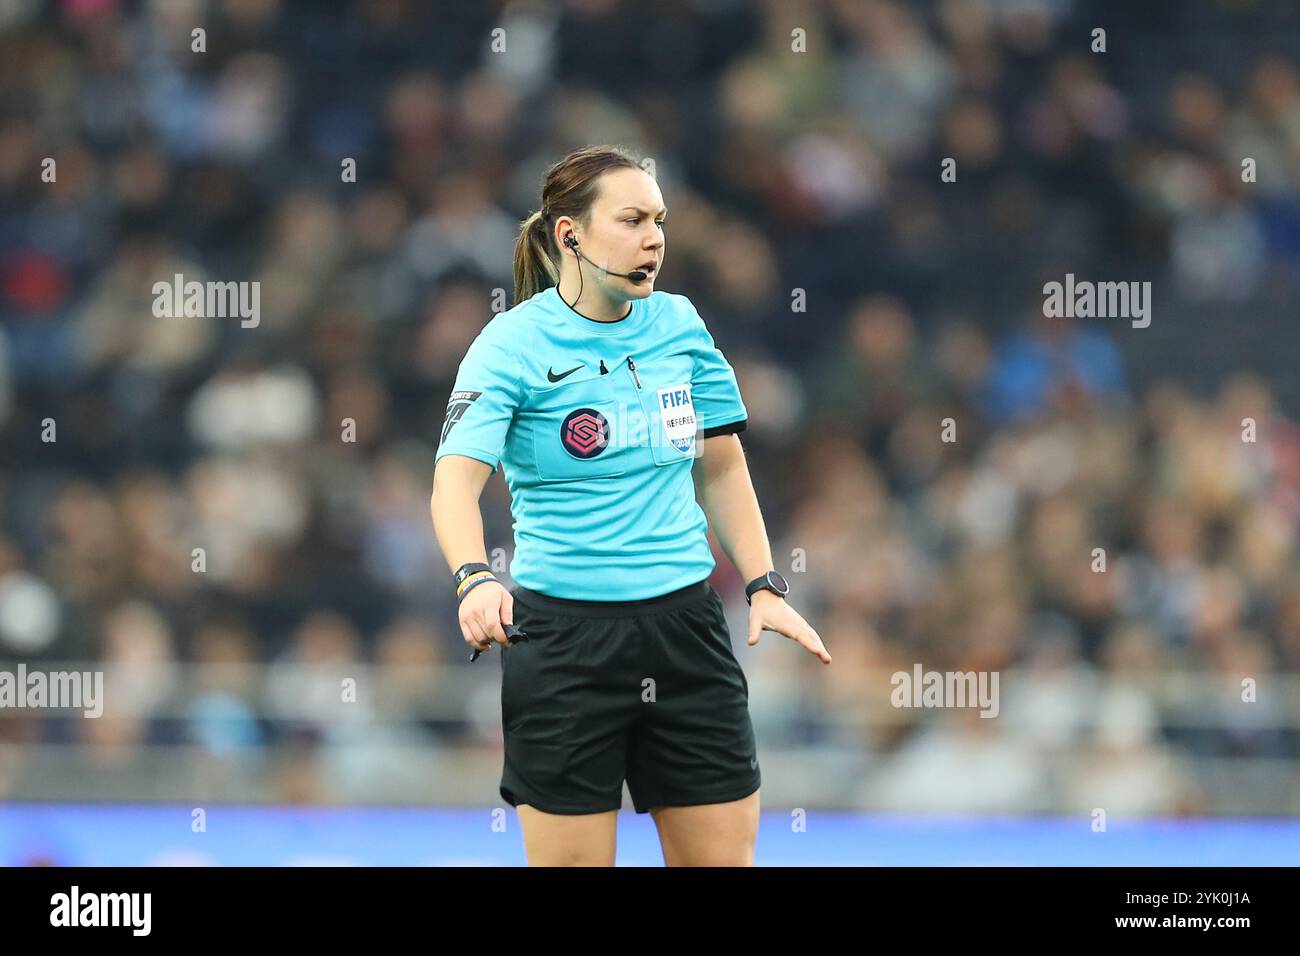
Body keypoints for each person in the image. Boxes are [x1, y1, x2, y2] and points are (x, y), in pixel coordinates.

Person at [430, 144, 830, 867]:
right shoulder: (510, 346)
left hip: (686, 633)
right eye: (633, 219)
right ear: (570, 235)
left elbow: (723, 466)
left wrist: (765, 583)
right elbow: (454, 483)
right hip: (563, 646)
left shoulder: (680, 325)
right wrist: (472, 576)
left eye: (660, 221)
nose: (654, 238)